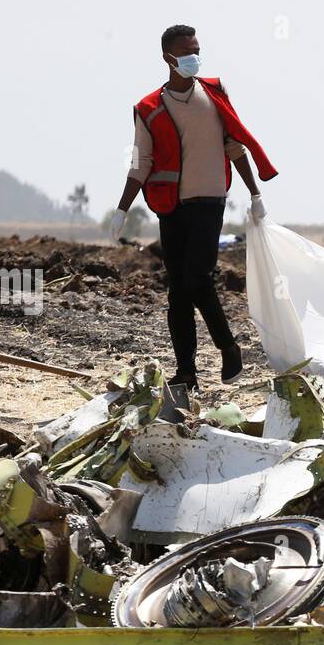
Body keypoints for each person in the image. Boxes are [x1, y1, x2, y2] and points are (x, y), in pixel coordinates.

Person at [110, 24, 277, 389]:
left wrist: (255, 194)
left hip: (210, 201)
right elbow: (141, 163)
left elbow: (235, 145)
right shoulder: (149, 108)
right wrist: (122, 209)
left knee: (198, 277)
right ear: (168, 58)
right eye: (186, 52)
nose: (194, 58)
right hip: (171, 207)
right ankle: (186, 372)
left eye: (197, 50)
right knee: (179, 292)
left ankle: (228, 346)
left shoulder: (215, 92)